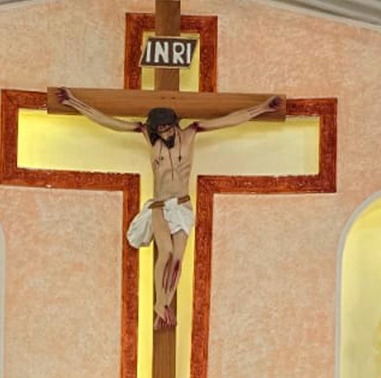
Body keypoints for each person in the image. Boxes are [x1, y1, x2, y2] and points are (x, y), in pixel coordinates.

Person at [56, 90, 280, 329]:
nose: (164, 134)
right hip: (160, 205)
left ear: (175, 125)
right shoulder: (149, 137)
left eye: (167, 129)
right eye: (160, 130)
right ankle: (160, 303)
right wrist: (73, 102)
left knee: (178, 259)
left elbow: (229, 120)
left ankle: (164, 306)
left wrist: (263, 108)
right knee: (166, 252)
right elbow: (110, 122)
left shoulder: (192, 132)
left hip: (182, 204)